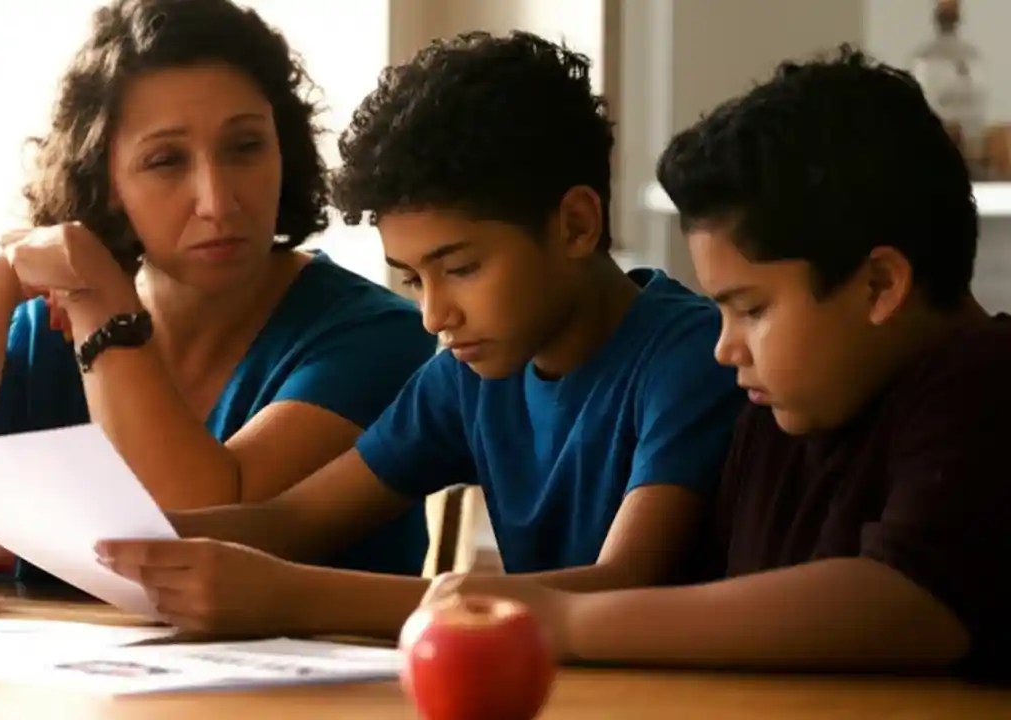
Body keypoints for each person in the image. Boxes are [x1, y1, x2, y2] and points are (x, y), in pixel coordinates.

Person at [94, 31, 742, 638]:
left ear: (575, 225)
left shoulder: (692, 356)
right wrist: (121, 546)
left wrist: (293, 595)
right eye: (412, 280)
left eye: (460, 268)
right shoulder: (467, 376)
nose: (435, 315)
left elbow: (620, 587)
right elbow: (295, 519)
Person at [424, 47, 1011, 681]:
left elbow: (908, 603)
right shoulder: (775, 417)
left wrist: (566, 620)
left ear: (877, 286)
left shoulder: (988, 383)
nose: (724, 346)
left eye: (751, 309)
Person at [0, 0, 437, 577]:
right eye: (166, 161)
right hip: (70, 678)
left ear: (285, 148)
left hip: (309, 680)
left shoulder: (376, 333)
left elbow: (196, 539)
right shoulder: (42, 334)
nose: (217, 200)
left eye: (245, 147)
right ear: (105, 182)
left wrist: (105, 306)